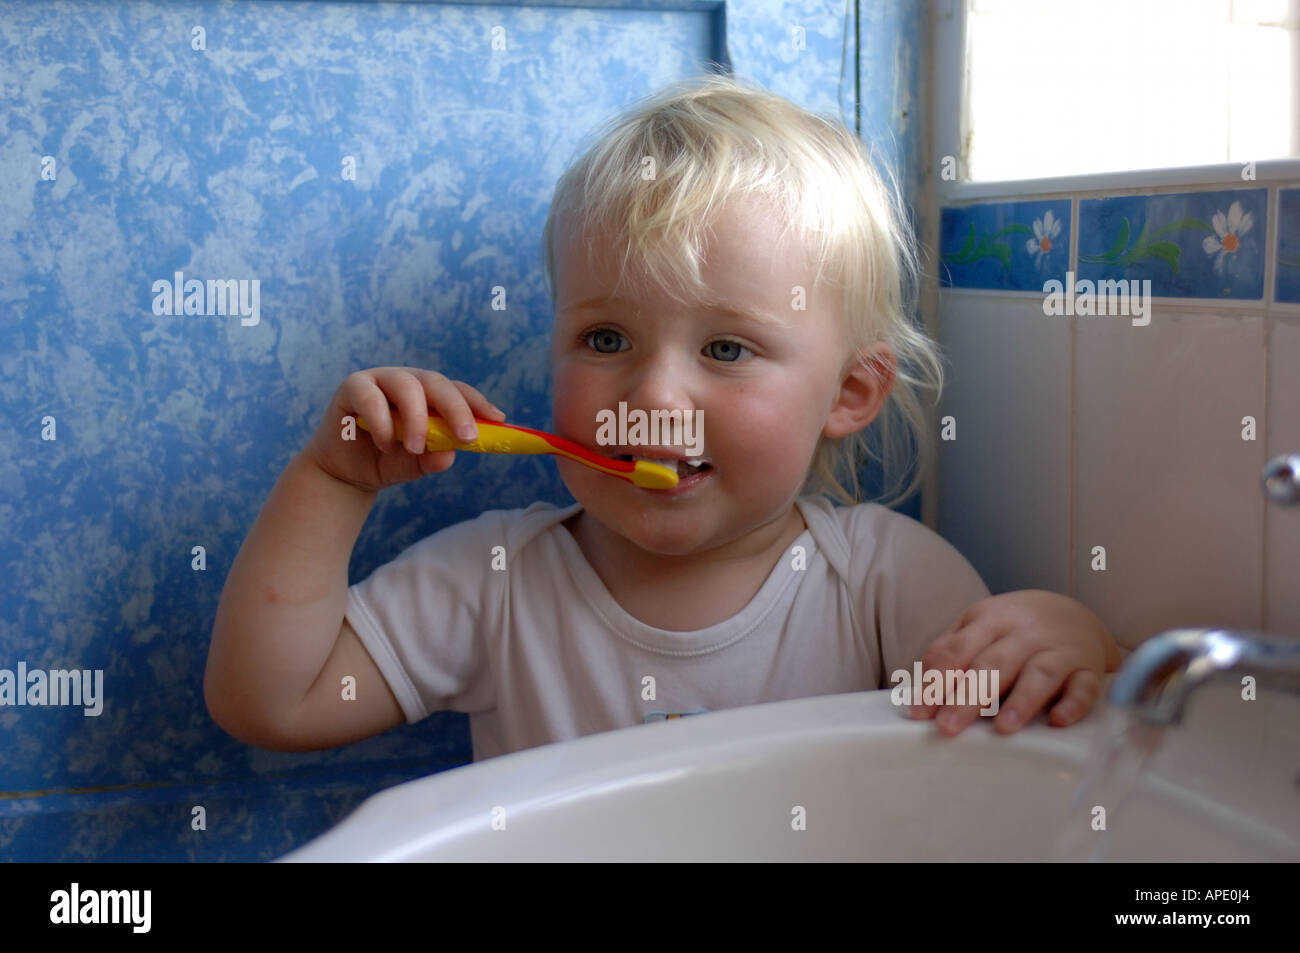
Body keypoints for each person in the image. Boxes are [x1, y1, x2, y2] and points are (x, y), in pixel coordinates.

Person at [204, 74, 1119, 761]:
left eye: (726, 350)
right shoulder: (494, 582)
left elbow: (1011, 742)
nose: (651, 399)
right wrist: (330, 483)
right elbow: (273, 705)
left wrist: (1072, 642)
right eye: (606, 339)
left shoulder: (884, 582)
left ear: (849, 394)